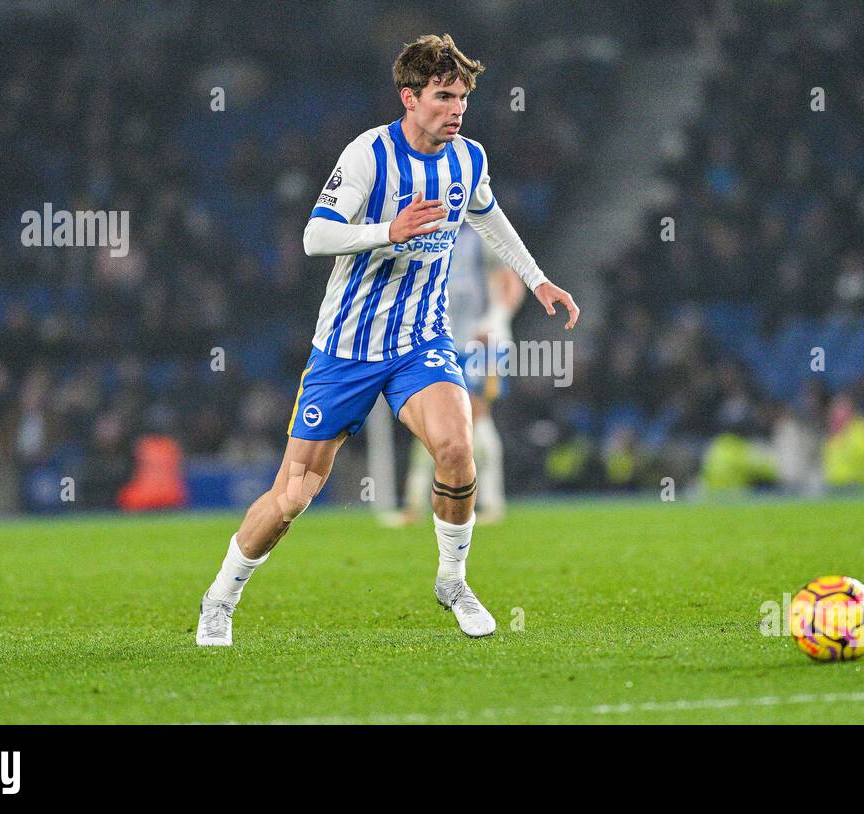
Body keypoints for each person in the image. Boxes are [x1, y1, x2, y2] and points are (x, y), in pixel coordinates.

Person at [195, 34, 580, 645]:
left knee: (457, 446)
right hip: (345, 350)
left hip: (419, 343)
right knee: (291, 499)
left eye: (463, 99)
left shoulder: (468, 157)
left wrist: (537, 281)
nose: (456, 109)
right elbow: (314, 238)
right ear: (410, 97)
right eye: (443, 96)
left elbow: (488, 214)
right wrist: (387, 231)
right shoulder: (369, 154)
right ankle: (221, 597)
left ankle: (452, 580)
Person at [398, 223, 524, 525]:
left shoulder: (484, 233)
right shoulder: (431, 236)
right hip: (446, 339)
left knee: (476, 414)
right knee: (434, 419)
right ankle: (414, 505)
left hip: (483, 340)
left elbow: (512, 283)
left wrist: (495, 321)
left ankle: (492, 502)